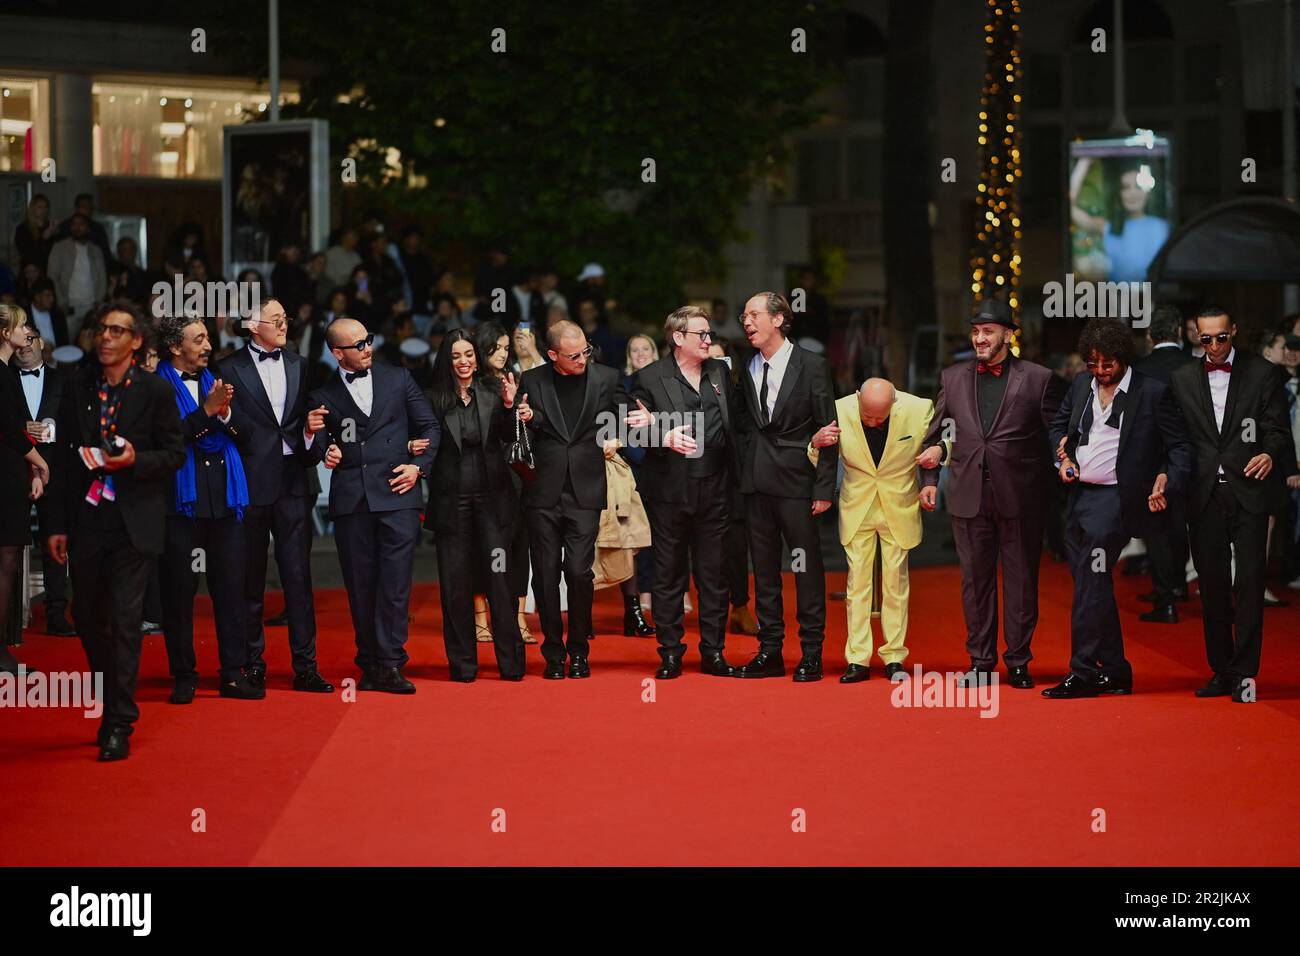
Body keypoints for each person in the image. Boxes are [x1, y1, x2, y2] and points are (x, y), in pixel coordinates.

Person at [45, 302, 185, 760]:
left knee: (127, 622)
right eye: (101, 329)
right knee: (87, 618)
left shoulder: (155, 392)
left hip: (134, 522)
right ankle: (112, 698)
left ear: (136, 341)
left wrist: (134, 462)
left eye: (117, 331)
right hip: (87, 522)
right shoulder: (77, 385)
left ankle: (119, 721)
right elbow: (64, 463)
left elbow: (173, 455)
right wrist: (57, 525)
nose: (105, 337)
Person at [917, 298, 1067, 689]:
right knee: (975, 582)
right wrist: (930, 482)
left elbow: (1057, 435)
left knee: (1021, 582)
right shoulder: (952, 377)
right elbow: (935, 435)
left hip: (1021, 497)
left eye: (988, 331)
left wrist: (1064, 471)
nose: (980, 338)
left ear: (1007, 335)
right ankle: (981, 662)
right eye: (976, 331)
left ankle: (1018, 662)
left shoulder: (1038, 378)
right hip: (968, 496)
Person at [1045, 318, 1192, 698]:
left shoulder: (1153, 392)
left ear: (1123, 357)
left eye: (1106, 364)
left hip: (1115, 502)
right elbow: (1058, 426)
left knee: (1090, 586)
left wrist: (1167, 480)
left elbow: (1179, 447)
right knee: (1093, 586)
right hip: (1078, 498)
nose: (1099, 371)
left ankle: (1082, 673)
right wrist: (1061, 454)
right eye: (1092, 363)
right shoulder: (1081, 385)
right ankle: (1116, 671)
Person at [1166, 307, 1296, 702]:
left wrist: (1271, 454)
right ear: (1196, 339)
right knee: (1213, 586)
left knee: (1252, 583)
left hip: (1251, 491)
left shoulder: (1262, 373)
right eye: (1206, 339)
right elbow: (1175, 439)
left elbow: (1277, 429)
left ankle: (1245, 673)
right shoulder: (1182, 379)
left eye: (1221, 337)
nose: (1215, 346)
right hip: (1204, 495)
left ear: (1233, 331)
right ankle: (1221, 669)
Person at [306, 317, 438, 693]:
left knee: (395, 584)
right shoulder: (323, 394)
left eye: (368, 340)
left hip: (398, 494)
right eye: (358, 345)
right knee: (361, 585)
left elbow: (429, 427)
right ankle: (370, 662)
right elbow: (316, 442)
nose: (367, 349)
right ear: (337, 354)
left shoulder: (398, 379)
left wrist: (417, 467)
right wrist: (322, 447)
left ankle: (392, 662)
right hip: (353, 500)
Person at [213, 298, 333, 694]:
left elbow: (309, 419)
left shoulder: (300, 364)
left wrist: (315, 436)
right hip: (249, 482)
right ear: (252, 325)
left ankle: (307, 667)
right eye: (276, 319)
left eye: (286, 317)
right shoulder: (228, 368)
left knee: (298, 578)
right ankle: (251, 664)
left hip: (295, 480)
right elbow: (225, 425)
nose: (284, 324)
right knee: (250, 579)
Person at [627, 307, 744, 678]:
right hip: (669, 490)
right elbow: (628, 430)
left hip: (716, 486)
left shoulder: (720, 372)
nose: (709, 340)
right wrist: (661, 431)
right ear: (678, 339)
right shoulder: (649, 377)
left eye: (709, 334)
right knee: (668, 574)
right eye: (702, 335)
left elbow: (736, 424)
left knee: (713, 574)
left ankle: (713, 651)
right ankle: (671, 652)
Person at [155, 314, 260, 704]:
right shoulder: (155, 387)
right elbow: (165, 439)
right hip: (179, 508)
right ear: (175, 347)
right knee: (179, 595)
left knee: (232, 591)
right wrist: (207, 413)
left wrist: (226, 412)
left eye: (207, 338)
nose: (208, 346)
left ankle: (233, 674)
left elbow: (249, 435)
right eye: (198, 340)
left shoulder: (217, 382)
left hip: (225, 505)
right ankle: (184, 675)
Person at [735, 291, 838, 681]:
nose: (747, 322)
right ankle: (770, 651)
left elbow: (828, 428)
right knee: (763, 572)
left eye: (754, 315)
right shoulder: (747, 367)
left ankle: (811, 653)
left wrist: (824, 488)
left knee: (806, 570)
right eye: (744, 316)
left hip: (798, 484)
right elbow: (747, 423)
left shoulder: (811, 365)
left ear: (778, 319)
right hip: (757, 484)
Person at [518, 320, 627, 679]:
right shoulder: (532, 381)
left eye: (585, 351)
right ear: (552, 355)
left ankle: (579, 651)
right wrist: (526, 416)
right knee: (546, 577)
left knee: (579, 573)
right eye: (573, 355)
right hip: (543, 492)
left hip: (586, 490)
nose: (582, 358)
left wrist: (622, 432)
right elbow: (515, 429)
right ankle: (553, 653)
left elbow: (624, 415)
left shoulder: (606, 378)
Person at [809, 378, 935, 683]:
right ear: (857, 399)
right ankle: (858, 658)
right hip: (858, 506)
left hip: (899, 504)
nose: (874, 422)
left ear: (895, 402)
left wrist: (933, 469)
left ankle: (894, 657)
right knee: (857, 585)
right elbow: (819, 458)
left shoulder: (920, 409)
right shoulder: (839, 409)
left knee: (896, 583)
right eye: (868, 416)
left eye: (881, 416)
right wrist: (815, 442)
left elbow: (942, 445)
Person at [423, 329, 527, 681]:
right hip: (451, 503)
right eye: (456, 356)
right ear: (446, 360)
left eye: (469, 354)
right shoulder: (433, 398)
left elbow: (511, 438)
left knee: (500, 580)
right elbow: (423, 442)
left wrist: (512, 406)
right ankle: (463, 664)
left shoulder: (492, 391)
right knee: (455, 585)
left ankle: (511, 663)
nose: (464, 361)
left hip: (492, 501)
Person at [1133, 305, 1197, 621]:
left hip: (1149, 459)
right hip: (1191, 457)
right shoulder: (1195, 366)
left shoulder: (1139, 370)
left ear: (1149, 336)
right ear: (1180, 333)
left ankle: (1166, 597)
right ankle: (1179, 586)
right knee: (1182, 523)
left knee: (1157, 526)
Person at [0, 307, 53, 675]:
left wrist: (31, 464)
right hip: (4, 477)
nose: (27, 332)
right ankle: (0, 654)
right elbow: (8, 428)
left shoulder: (6, 373)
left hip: (11, 473)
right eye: (21, 326)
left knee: (7, 565)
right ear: (5, 333)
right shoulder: (2, 374)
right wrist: (42, 462)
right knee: (5, 566)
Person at [475, 321, 535, 644]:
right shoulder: (473, 385)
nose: (502, 354)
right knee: (484, 547)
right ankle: (481, 617)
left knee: (519, 546)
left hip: (517, 473)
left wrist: (526, 413)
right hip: (484, 474)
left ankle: (519, 618)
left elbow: (529, 425)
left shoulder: (518, 379)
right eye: (495, 348)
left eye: (505, 348)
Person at [12, 329, 74, 636]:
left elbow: (75, 424)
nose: (25, 346)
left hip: (55, 472)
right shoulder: (3, 376)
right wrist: (22, 430)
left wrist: (51, 435)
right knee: (8, 543)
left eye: (30, 339)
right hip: (12, 471)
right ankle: (9, 617)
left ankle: (56, 613)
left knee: (56, 543)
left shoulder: (63, 380)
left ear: (41, 344)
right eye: (20, 340)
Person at [621, 333, 659, 624]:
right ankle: (642, 592)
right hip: (635, 466)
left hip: (665, 463)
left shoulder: (667, 380)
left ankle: (670, 590)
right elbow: (620, 427)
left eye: (646, 348)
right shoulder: (622, 385)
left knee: (665, 533)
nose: (641, 353)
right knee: (638, 534)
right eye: (635, 350)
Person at [47, 213, 107, 340]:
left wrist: (99, 302)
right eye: (74, 224)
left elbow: (102, 277)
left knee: (91, 343)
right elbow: (52, 276)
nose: (77, 227)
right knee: (68, 343)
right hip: (69, 306)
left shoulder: (96, 250)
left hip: (92, 307)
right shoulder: (60, 248)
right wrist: (61, 302)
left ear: (88, 228)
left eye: (81, 224)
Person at [23, 277, 69, 348]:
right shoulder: (24, 317)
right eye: (48, 296)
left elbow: (64, 343)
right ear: (37, 297)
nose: (52, 299)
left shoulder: (58, 316)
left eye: (52, 295)